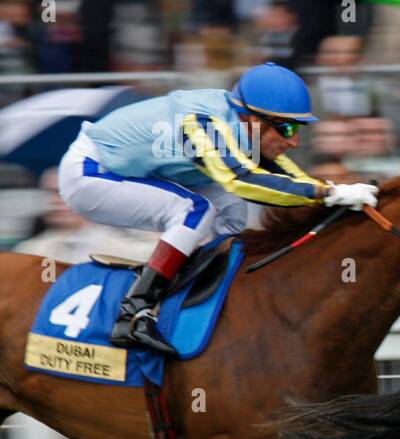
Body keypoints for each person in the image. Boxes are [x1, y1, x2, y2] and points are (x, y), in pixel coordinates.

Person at [56, 61, 380, 355]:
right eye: (288, 129)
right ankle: (133, 313)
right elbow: (243, 180)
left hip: (121, 170)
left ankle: (205, 298)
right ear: (253, 119)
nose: (294, 141)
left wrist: (337, 195)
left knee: (231, 212)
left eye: (299, 130)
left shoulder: (244, 127)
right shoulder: (203, 122)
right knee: (195, 210)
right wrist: (329, 192)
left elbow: (287, 179)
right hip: (89, 172)